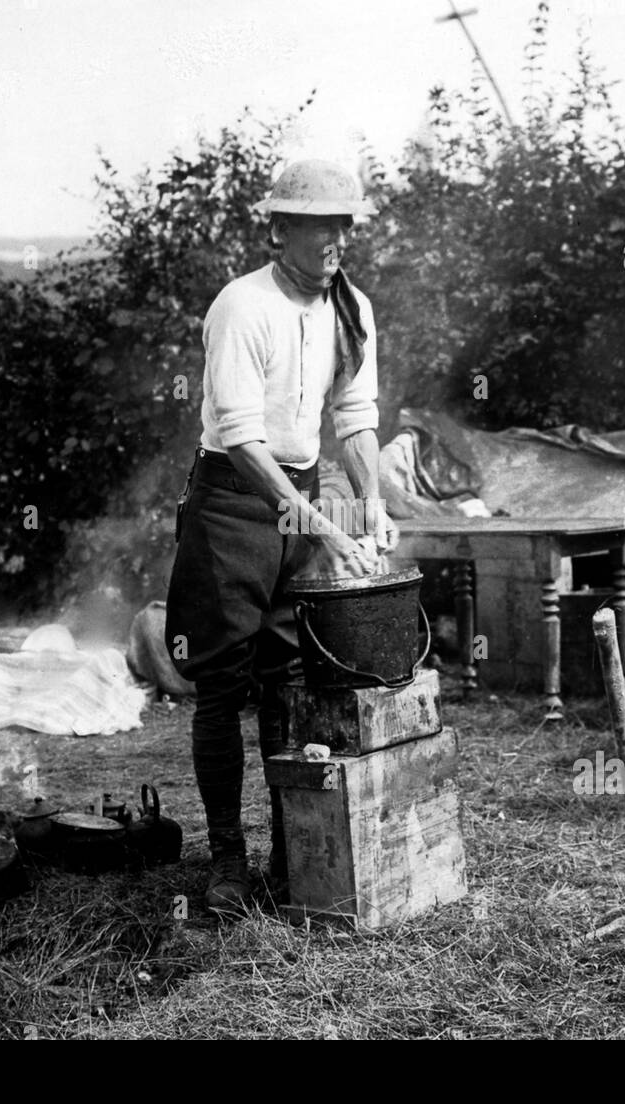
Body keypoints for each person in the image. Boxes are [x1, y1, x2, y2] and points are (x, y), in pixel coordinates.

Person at [164, 158, 399, 914]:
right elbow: (240, 440)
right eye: (319, 224)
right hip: (234, 504)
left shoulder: (352, 308)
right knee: (221, 684)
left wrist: (369, 500)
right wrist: (323, 522)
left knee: (289, 678)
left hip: (300, 498)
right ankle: (227, 859)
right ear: (279, 230)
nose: (336, 238)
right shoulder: (242, 306)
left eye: (344, 224)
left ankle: (289, 847)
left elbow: (355, 419)